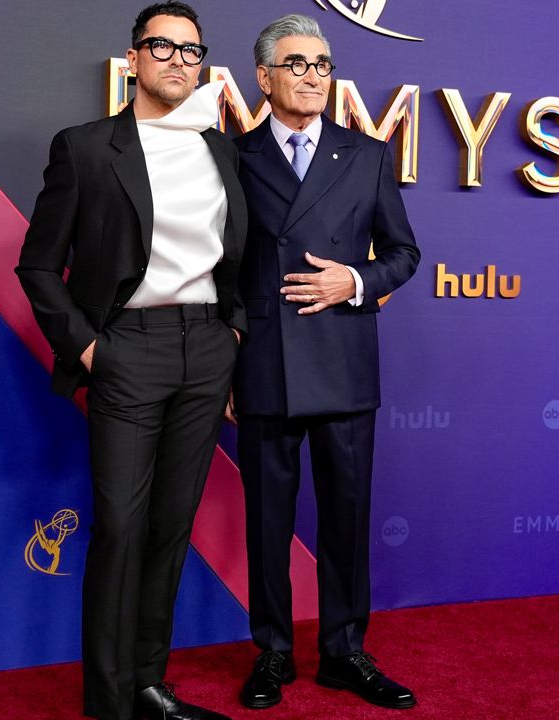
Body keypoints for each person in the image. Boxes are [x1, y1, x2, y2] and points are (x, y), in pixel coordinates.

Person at [15, 3, 245, 719]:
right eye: (163, 47)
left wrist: (232, 334)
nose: (179, 60)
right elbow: (39, 266)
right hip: (128, 351)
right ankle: (109, 704)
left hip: (206, 350)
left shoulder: (222, 148)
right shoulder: (87, 147)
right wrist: (88, 347)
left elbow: (241, 256)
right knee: (121, 527)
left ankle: (150, 686)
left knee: (172, 527)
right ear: (134, 58)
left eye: (191, 50)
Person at [231, 13, 420, 712]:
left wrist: (357, 280)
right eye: (298, 64)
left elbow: (404, 253)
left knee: (346, 518)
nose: (313, 76)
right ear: (265, 77)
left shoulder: (366, 155)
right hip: (264, 368)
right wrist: (226, 368)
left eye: (323, 64)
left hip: (342, 362)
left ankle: (344, 652)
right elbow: (221, 273)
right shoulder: (233, 156)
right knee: (267, 524)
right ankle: (272, 653)